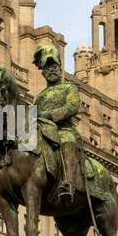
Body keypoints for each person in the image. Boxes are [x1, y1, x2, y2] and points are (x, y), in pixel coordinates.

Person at [32, 44, 82, 200]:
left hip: (63, 130)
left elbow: (72, 106)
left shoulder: (69, 88)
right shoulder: (39, 96)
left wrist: (50, 115)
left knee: (68, 141)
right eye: (47, 68)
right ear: (43, 73)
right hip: (42, 132)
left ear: (60, 68)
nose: (51, 70)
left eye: (54, 66)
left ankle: (68, 184)